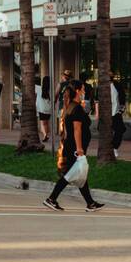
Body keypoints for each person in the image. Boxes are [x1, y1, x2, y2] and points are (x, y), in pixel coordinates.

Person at [43, 82, 103, 212]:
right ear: (77, 91)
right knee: (70, 174)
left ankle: (90, 203)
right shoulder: (76, 108)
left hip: (71, 146)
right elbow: (77, 129)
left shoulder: (71, 106)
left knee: (79, 173)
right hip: (74, 147)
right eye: (82, 90)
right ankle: (51, 199)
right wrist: (79, 148)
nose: (84, 92)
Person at [108, 72, 126, 153]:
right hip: (106, 113)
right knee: (107, 131)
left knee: (120, 130)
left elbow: (122, 97)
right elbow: (97, 101)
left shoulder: (117, 85)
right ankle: (109, 148)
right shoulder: (102, 86)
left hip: (116, 112)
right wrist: (98, 113)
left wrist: (121, 110)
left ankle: (114, 148)